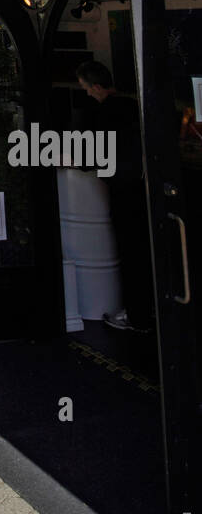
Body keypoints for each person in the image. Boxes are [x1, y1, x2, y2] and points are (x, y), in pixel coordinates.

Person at [76, 60, 154, 334]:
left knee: (131, 253)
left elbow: (88, 157)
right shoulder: (133, 106)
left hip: (122, 190)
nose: (86, 94)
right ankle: (150, 311)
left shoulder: (103, 113)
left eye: (86, 88)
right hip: (143, 188)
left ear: (97, 87)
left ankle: (138, 316)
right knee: (145, 253)